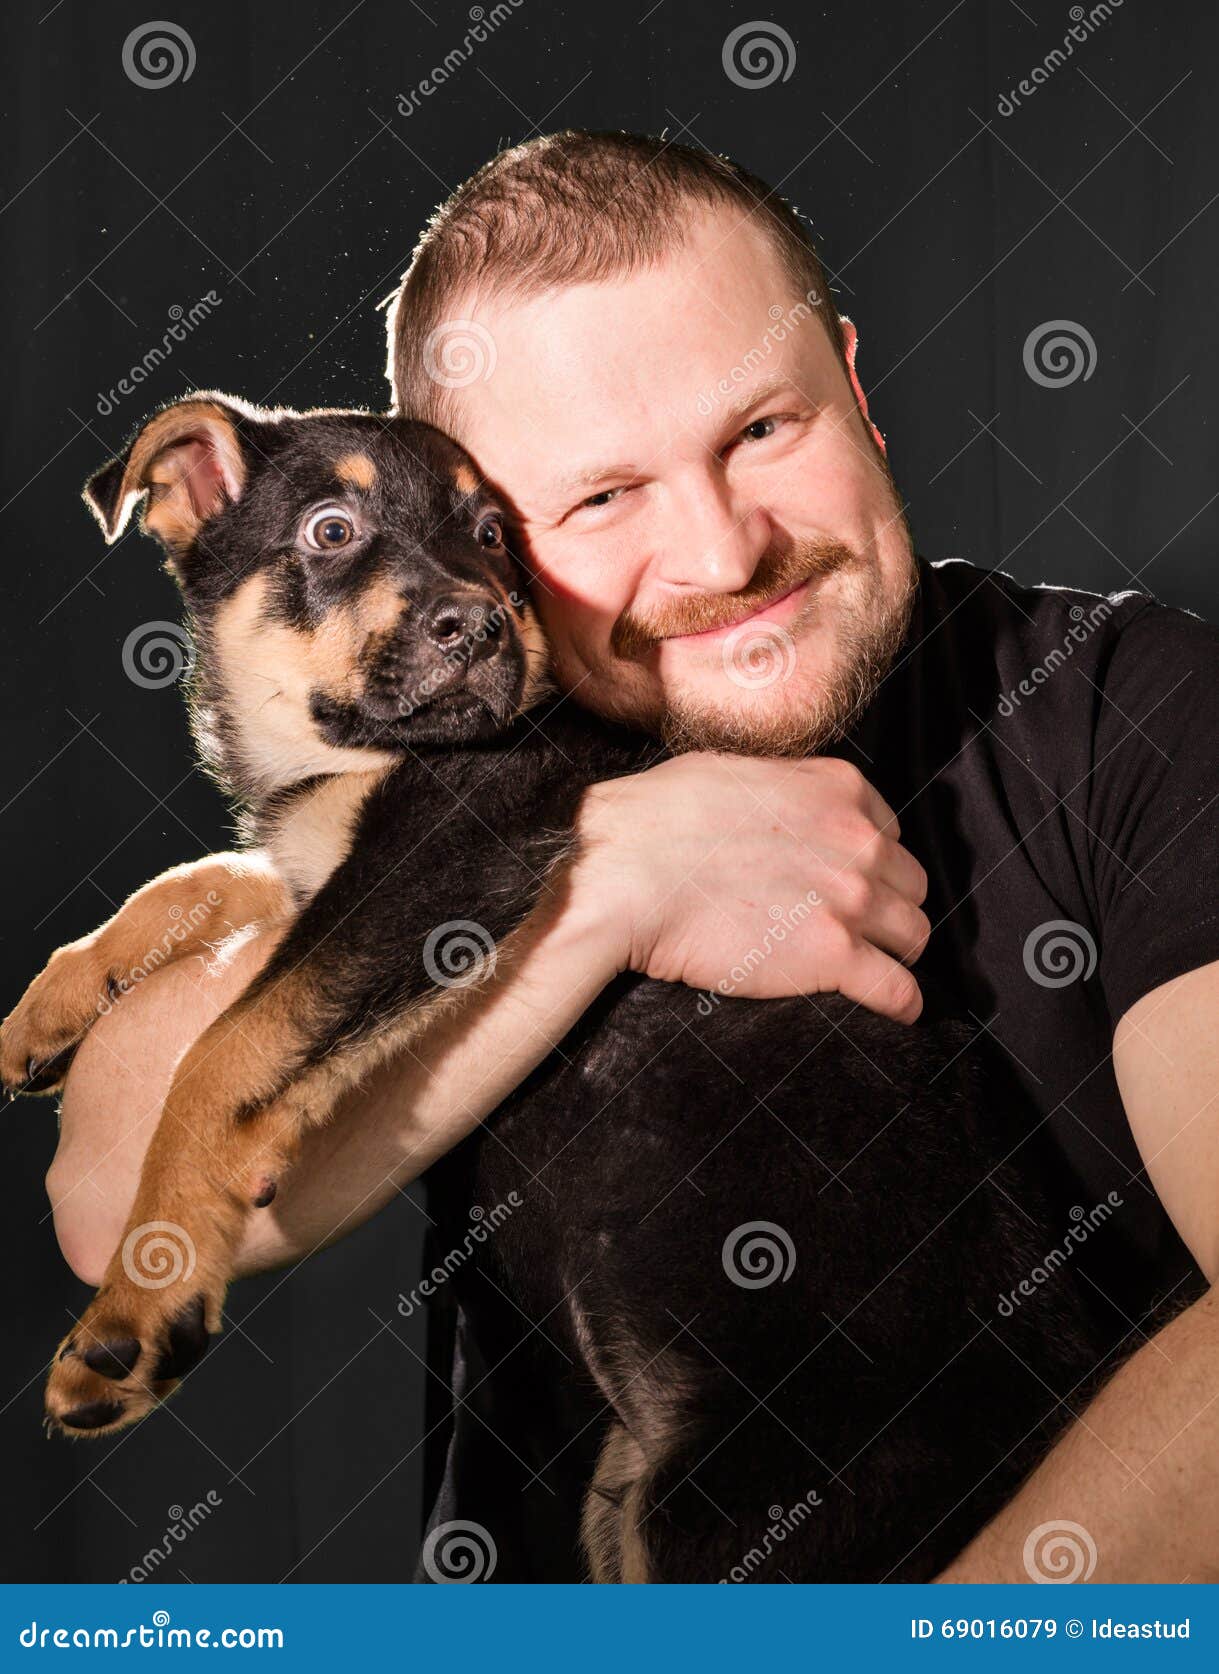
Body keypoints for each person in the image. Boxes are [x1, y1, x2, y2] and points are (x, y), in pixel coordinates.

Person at [47, 132, 1219, 1582]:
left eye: (764, 429)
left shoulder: (1131, 708)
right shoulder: (494, 755)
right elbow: (109, 1198)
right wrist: (616, 881)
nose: (723, 554)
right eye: (602, 498)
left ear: (857, 390)